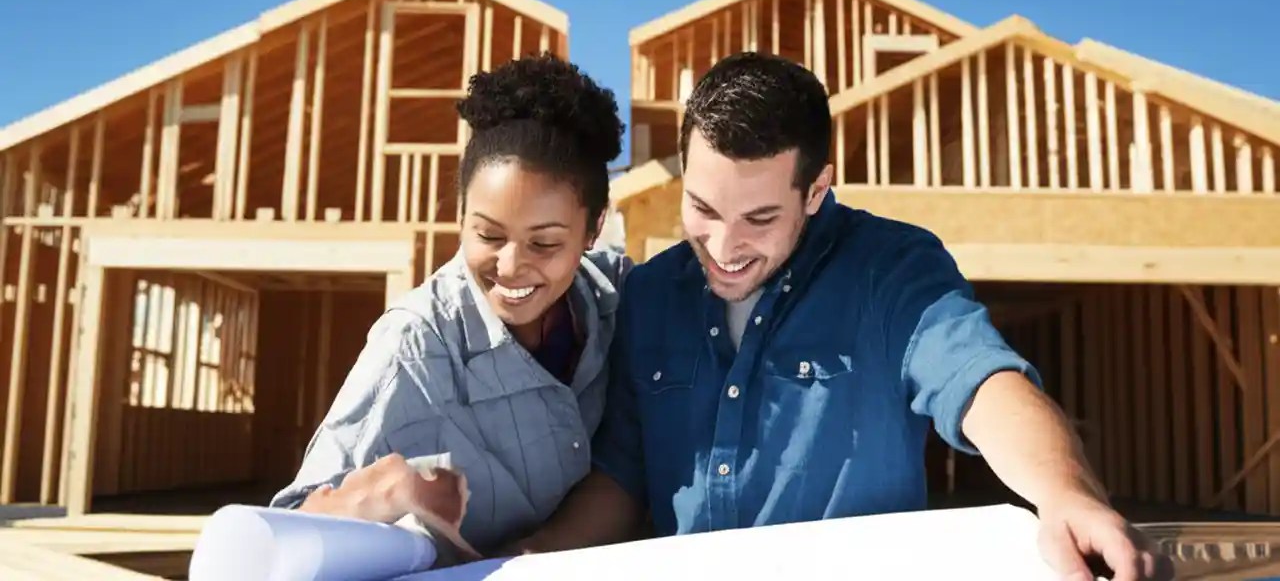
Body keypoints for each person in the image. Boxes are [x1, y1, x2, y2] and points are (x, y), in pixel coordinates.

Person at [515, 52, 1168, 581]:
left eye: (760, 218)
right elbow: (624, 474)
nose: (724, 246)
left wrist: (1065, 494)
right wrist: (535, 559)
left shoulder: (890, 269)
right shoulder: (653, 294)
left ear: (817, 189)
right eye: (704, 210)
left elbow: (980, 381)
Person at [270, 53, 630, 557]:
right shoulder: (415, 346)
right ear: (461, 215)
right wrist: (381, 495)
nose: (509, 266)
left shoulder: (618, 300)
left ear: (593, 229)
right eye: (488, 234)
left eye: (544, 244)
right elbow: (286, 533)